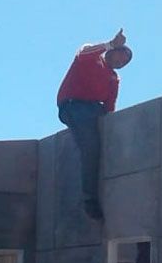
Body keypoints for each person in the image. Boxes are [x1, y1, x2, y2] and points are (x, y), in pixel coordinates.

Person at [56, 29, 133, 220]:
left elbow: (109, 106)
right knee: (90, 147)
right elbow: (83, 55)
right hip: (73, 105)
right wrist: (110, 43)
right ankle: (89, 199)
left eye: (125, 63)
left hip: (94, 109)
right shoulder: (92, 56)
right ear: (112, 51)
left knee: (105, 139)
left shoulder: (113, 78)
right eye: (120, 56)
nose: (120, 63)